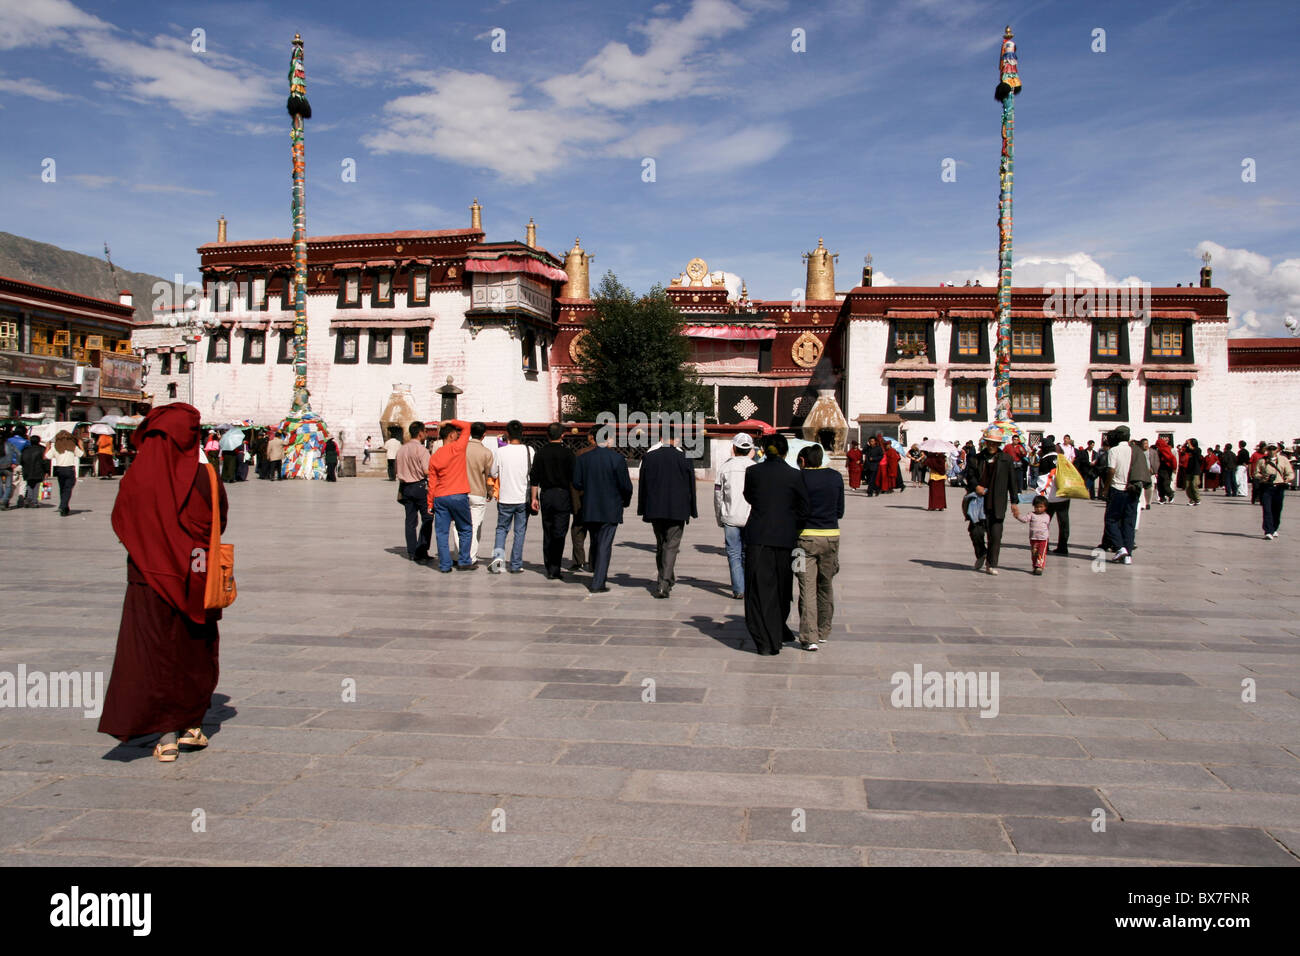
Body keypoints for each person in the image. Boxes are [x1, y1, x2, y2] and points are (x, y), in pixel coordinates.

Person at [98, 403, 227, 763]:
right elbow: (219, 522)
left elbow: (122, 522)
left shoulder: (137, 477)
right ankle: (191, 726)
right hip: (196, 578)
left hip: (148, 580)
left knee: (152, 652)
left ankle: (165, 736)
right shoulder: (208, 476)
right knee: (193, 650)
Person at [743, 433, 809, 655]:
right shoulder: (794, 475)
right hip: (784, 538)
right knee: (781, 588)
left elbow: (749, 497)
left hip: (758, 537)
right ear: (785, 451)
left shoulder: (753, 472)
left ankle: (764, 640)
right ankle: (777, 632)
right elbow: (804, 507)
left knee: (758, 589)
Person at [637, 426, 698, 599]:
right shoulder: (684, 457)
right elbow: (690, 487)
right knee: (671, 546)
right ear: (676, 439)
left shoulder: (649, 457)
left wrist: (643, 508)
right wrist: (692, 509)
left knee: (661, 544)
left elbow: (643, 485)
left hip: (655, 508)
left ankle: (667, 577)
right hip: (677, 509)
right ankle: (663, 584)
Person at [571, 424, 633, 593]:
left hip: (590, 506)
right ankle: (598, 582)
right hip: (610, 508)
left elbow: (576, 482)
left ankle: (598, 574)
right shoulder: (617, 459)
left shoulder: (584, 459)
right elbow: (626, 486)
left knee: (597, 541)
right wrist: (624, 501)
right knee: (604, 545)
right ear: (608, 439)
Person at [795, 444, 844, 651]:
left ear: (803, 461)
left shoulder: (800, 478)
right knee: (826, 584)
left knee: (807, 588)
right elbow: (840, 511)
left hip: (805, 539)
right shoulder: (835, 477)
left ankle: (810, 636)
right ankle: (824, 631)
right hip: (831, 537)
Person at [428, 419, 477, 573]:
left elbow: (432, 483)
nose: (457, 435)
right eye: (455, 433)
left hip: (440, 497)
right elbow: (467, 426)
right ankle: (463, 561)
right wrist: (449, 421)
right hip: (458, 495)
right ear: (450, 435)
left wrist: (430, 504)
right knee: (465, 529)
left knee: (442, 533)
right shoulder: (458, 448)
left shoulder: (435, 456)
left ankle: (444, 565)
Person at [530, 423, 576, 580]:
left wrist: (534, 498)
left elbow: (534, 478)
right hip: (563, 495)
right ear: (562, 435)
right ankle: (556, 567)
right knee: (560, 532)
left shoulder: (541, 453)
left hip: (546, 495)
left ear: (547, 435)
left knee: (548, 530)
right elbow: (574, 477)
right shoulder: (568, 453)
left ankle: (549, 566)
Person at [714, 434, 755, 599]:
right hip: (750, 517)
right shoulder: (755, 467)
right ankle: (747, 585)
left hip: (730, 517)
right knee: (748, 553)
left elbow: (718, 496)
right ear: (750, 450)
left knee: (733, 553)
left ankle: (739, 589)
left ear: (734, 448)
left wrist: (719, 516)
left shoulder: (724, 468)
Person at [973, 428, 1019, 574]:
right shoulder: (977, 458)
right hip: (979, 502)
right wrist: (976, 486)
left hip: (997, 501)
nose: (992, 445)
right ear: (985, 442)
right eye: (990, 442)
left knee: (996, 534)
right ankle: (981, 553)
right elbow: (970, 476)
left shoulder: (1006, 459)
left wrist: (1014, 502)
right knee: (975, 531)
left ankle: (992, 564)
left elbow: (1012, 481)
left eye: (995, 443)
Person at [490, 420, 532, 574]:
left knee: (501, 529)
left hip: (504, 497)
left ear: (507, 434)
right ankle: (515, 564)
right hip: (522, 498)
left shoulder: (500, 452)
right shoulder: (529, 451)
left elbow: (493, 473)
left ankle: (498, 562)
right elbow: (531, 474)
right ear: (522, 433)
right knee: (519, 532)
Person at [396, 421, 433, 562]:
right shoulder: (421, 450)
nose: (426, 434)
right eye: (425, 431)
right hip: (420, 487)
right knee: (428, 518)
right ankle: (422, 550)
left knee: (410, 521)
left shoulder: (402, 449)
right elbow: (426, 471)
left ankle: (411, 552)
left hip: (405, 487)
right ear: (420, 433)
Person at [1102, 425, 1137, 564]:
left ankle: (1119, 547)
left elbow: (1111, 470)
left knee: (1111, 520)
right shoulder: (1135, 451)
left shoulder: (1114, 450)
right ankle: (1128, 555)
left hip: (1117, 488)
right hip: (1133, 490)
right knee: (1129, 522)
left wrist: (1105, 488)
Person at [463, 422, 495, 565]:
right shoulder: (486, 453)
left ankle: (459, 555)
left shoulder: (461, 449)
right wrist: (490, 491)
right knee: (475, 525)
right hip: (478, 492)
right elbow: (489, 476)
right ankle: (471, 556)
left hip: (460, 491)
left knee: (459, 525)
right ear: (484, 435)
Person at [1036, 436, 1070, 554]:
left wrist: (1040, 495)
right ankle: (1063, 546)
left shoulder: (1044, 460)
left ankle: (1045, 544)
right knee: (1064, 522)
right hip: (1063, 495)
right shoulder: (1061, 458)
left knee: (1045, 521)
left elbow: (1042, 480)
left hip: (1049, 497)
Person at [1254, 443, 1293, 539]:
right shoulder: (1262, 461)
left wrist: (1287, 479)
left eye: (1273, 448)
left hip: (1279, 487)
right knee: (1267, 510)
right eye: (1269, 449)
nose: (1271, 451)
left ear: (1277, 450)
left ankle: (1274, 528)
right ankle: (1268, 531)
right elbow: (1256, 473)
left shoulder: (1283, 460)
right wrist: (1263, 477)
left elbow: (1290, 472)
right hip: (1266, 487)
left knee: (1277, 510)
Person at [569, 429, 595, 572]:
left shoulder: (580, 454)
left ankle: (578, 561)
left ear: (590, 438)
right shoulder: (610, 455)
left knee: (578, 531)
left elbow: (574, 481)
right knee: (596, 534)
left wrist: (575, 503)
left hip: (581, 499)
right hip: (598, 502)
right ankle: (594, 562)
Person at [1014, 494, 1053, 575]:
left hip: (1043, 539)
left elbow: (1047, 527)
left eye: (1041, 507)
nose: (1038, 509)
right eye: (1037, 507)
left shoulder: (1047, 516)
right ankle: (1035, 566)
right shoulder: (1031, 514)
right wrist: (1017, 516)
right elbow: (1024, 520)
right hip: (1033, 538)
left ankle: (1039, 566)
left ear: (1045, 507)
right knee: (1034, 553)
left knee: (1041, 553)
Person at [49, 429, 82, 516]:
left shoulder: (56, 447)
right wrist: (81, 445)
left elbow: (47, 456)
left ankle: (65, 507)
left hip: (59, 470)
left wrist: (47, 447)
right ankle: (63, 505)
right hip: (69, 469)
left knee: (62, 488)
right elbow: (81, 454)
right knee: (68, 489)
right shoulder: (72, 446)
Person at [19, 435, 48, 508]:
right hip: (39, 470)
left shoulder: (25, 449)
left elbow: (21, 460)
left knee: (29, 484)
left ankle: (29, 499)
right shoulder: (42, 449)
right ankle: (34, 501)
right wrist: (47, 471)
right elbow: (45, 461)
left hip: (27, 470)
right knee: (37, 485)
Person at [1154, 436, 1177, 503]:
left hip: (1166, 469)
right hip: (1160, 468)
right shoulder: (1159, 450)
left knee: (1165, 484)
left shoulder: (1165, 449)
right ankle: (1162, 498)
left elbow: (1172, 459)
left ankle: (1170, 495)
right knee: (1159, 484)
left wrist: (1174, 468)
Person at [1183, 439, 1204, 506]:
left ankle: (1197, 499)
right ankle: (1191, 499)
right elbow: (1183, 449)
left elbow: (1193, 450)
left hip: (1195, 470)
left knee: (1194, 485)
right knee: (1188, 486)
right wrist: (1185, 443)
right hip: (1189, 470)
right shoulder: (1189, 449)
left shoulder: (1198, 449)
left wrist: (1189, 443)